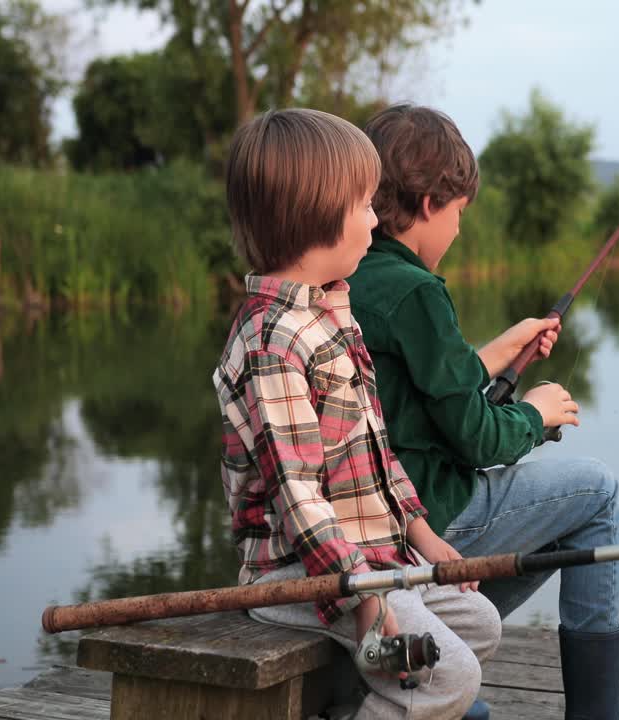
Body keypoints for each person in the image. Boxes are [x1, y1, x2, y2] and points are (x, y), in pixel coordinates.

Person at [346, 103, 619, 720]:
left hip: (369, 515)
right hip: (426, 512)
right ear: (432, 203)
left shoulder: (350, 271)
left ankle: (432, 659)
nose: (460, 230)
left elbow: (425, 392)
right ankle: (595, 712)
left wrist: (500, 351)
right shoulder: (418, 291)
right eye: (459, 213)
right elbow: (477, 440)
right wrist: (538, 416)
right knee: (597, 492)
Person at [213, 108, 499, 720]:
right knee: (452, 680)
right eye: (365, 205)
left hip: (371, 557)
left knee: (480, 622)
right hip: (299, 574)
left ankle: (359, 698)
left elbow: (378, 451)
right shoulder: (272, 342)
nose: (376, 220)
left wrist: (427, 542)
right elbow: (300, 500)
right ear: (319, 216)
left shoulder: (332, 313)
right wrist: (370, 603)